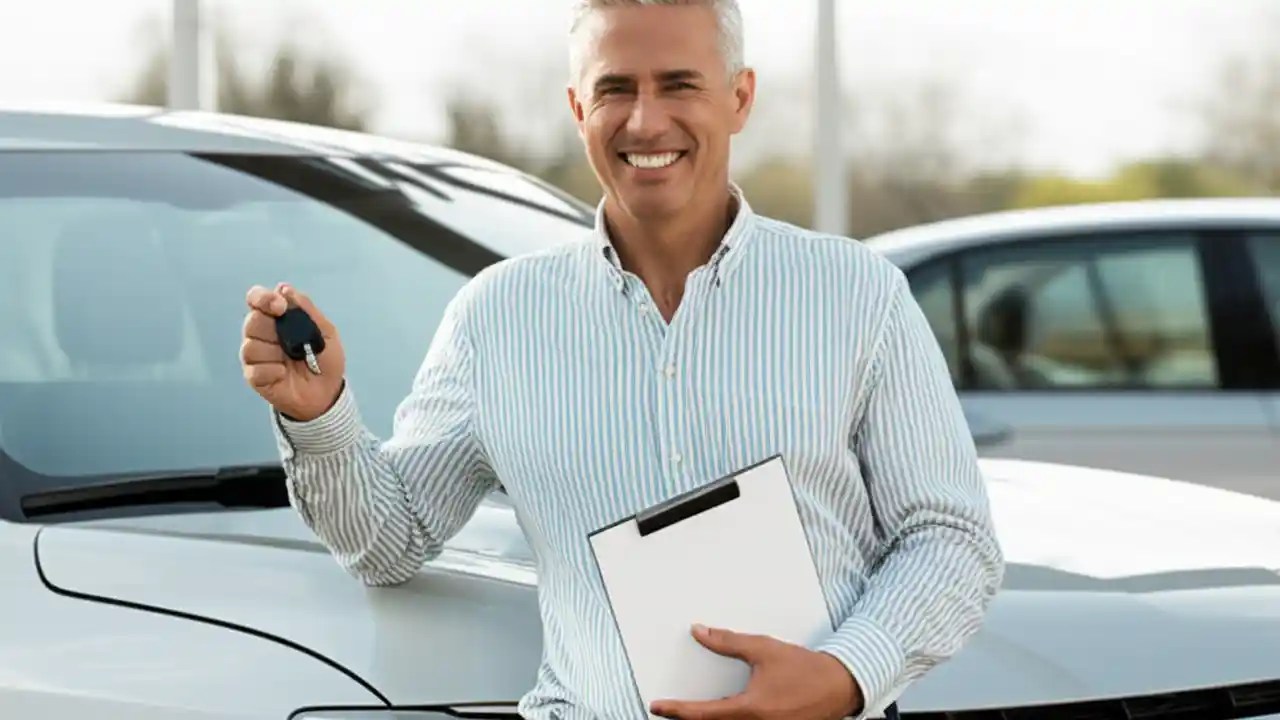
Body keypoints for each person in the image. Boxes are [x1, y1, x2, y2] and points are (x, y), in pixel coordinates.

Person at [240, 1, 1004, 718]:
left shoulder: (858, 296)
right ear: (578, 108)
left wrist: (845, 676)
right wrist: (321, 419)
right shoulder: (497, 318)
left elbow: (950, 537)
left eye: (679, 85)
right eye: (615, 89)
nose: (645, 120)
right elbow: (390, 541)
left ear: (740, 98)